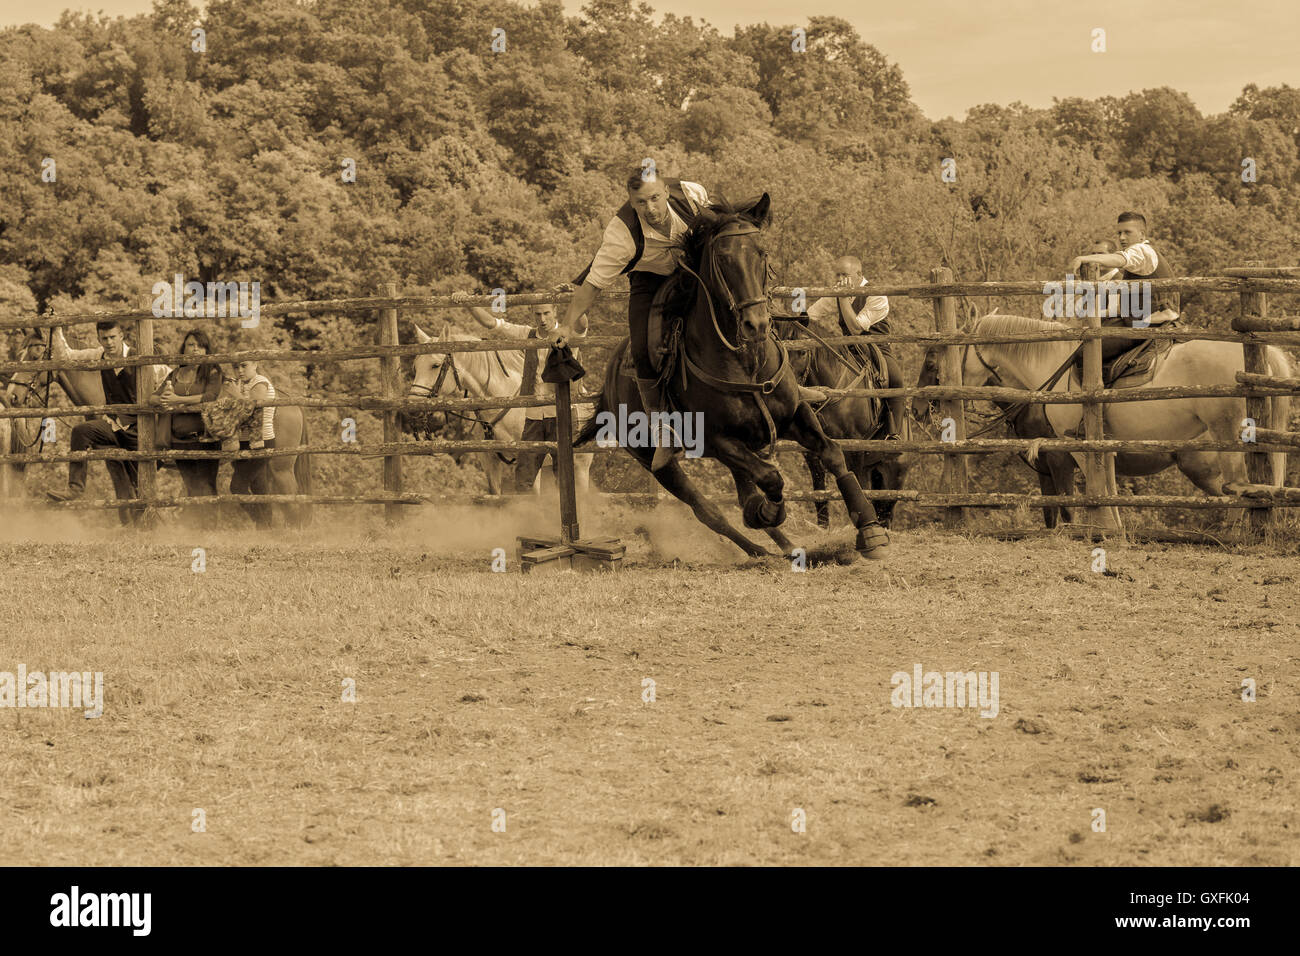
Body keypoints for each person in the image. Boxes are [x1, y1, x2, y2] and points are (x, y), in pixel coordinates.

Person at [551, 163, 823, 470]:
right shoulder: (621, 235)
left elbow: (722, 228)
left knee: (746, 304)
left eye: (655, 198)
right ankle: (663, 430)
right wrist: (566, 325)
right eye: (640, 203)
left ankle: (788, 387)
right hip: (649, 281)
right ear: (631, 201)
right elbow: (592, 286)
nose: (650, 208)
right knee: (642, 348)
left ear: (666, 190)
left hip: (696, 267)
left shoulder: (692, 194)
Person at [458, 291, 591, 492]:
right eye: (537, 314)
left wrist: (573, 295)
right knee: (524, 476)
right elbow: (491, 323)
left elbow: (582, 324)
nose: (542, 319)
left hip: (563, 413)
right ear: (531, 313)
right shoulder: (526, 334)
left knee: (565, 476)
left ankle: (568, 521)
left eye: (546, 313)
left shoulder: (568, 332)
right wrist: (467, 302)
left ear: (555, 311)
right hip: (533, 416)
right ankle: (529, 521)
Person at [45, 320, 170, 525]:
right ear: (99, 339)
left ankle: (149, 526)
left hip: (140, 430)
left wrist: (161, 397)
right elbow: (65, 356)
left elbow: (168, 375)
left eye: (113, 337)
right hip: (113, 426)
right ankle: (75, 488)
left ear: (121, 335)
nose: (109, 342)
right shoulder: (98, 355)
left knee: (139, 483)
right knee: (80, 431)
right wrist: (56, 328)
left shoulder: (137, 357)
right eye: (104, 338)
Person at [804, 256, 907, 439]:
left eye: (845, 274)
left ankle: (895, 433)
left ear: (859, 274)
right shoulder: (838, 292)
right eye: (837, 275)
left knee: (897, 380)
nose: (840, 279)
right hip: (848, 347)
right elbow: (812, 314)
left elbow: (856, 328)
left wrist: (842, 299)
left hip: (876, 347)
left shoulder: (876, 294)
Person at [1069, 211, 1180, 364]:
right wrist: (1094, 314)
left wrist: (1085, 258)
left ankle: (1096, 387)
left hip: (1150, 323)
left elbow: (1119, 258)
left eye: (1127, 232)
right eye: (1119, 233)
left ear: (1142, 235)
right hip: (1148, 321)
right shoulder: (1140, 260)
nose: (1121, 238)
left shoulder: (1142, 250)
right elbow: (1125, 309)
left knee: (1085, 353)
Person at [150, 329, 224, 513]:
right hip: (179, 440)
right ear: (184, 348)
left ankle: (210, 528)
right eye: (191, 345)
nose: (195, 349)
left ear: (206, 350)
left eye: (200, 346)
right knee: (191, 486)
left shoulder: (212, 372)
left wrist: (178, 400)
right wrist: (164, 400)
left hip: (205, 439)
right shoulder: (175, 374)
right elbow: (152, 398)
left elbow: (210, 397)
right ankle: (195, 529)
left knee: (207, 486)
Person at [230, 359, 275, 528]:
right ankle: (265, 529)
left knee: (237, 486)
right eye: (236, 367)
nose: (240, 370)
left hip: (261, 442)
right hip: (244, 442)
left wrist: (235, 395)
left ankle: (262, 521)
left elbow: (252, 409)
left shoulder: (260, 383)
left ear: (255, 364)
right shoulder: (241, 384)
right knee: (259, 486)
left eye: (244, 365)